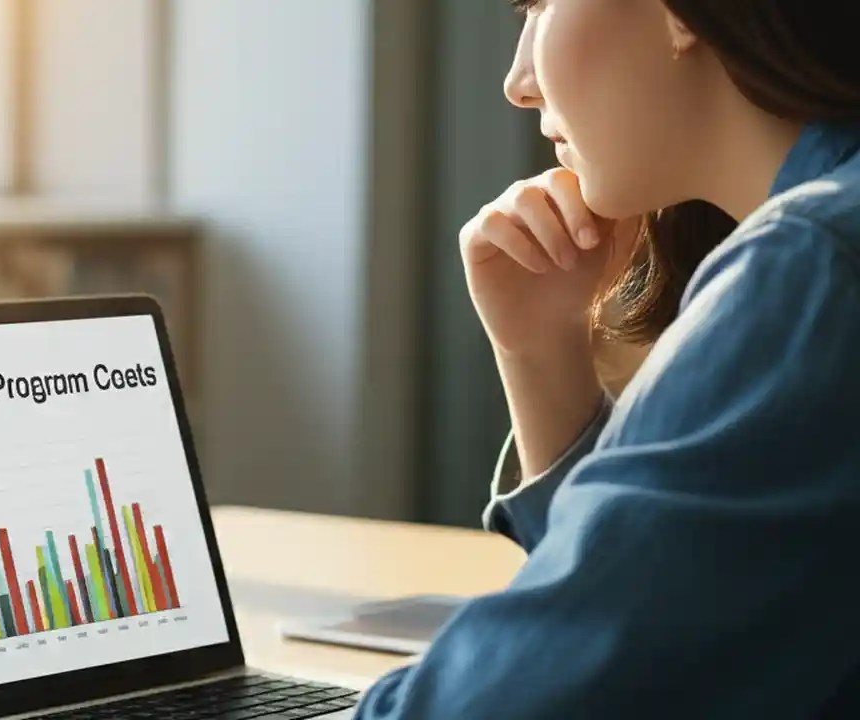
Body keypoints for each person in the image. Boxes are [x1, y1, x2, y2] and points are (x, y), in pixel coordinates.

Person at [352, 0, 860, 717]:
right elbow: (628, 628)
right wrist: (539, 354)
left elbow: (523, 699)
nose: (518, 81)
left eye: (541, 6)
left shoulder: (813, 269)